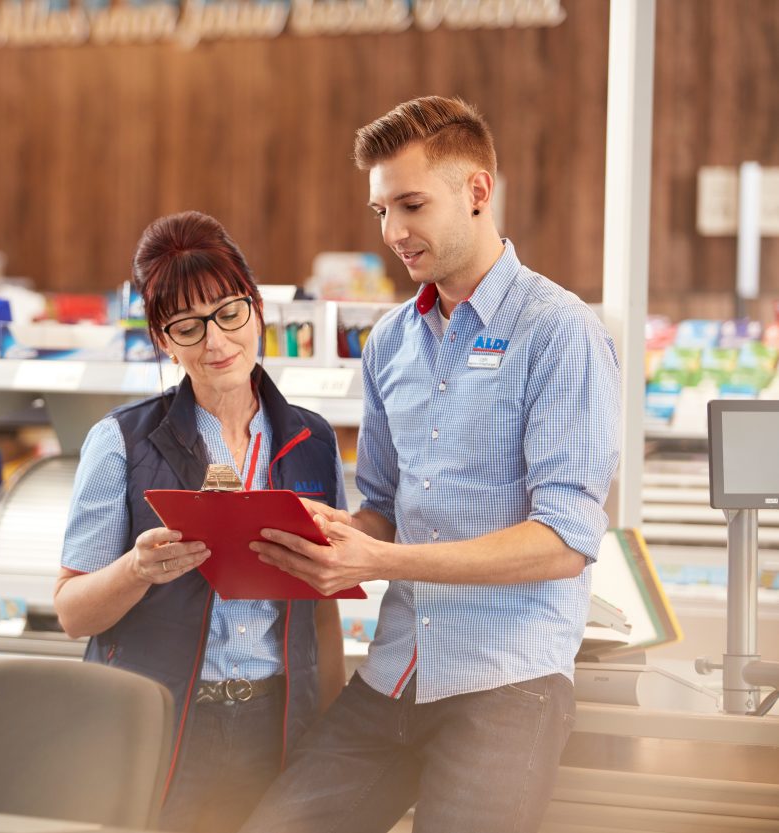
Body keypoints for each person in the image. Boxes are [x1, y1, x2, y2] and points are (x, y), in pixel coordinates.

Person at [239, 96, 621, 833]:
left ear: (477, 192)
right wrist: (333, 533)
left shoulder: (560, 333)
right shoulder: (388, 343)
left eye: (411, 204)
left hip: (508, 683)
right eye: (380, 211)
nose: (393, 232)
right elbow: (381, 503)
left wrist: (380, 555)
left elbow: (564, 542)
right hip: (392, 673)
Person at [53, 210, 348, 833]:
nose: (216, 343)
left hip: (276, 727)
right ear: (164, 340)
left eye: (228, 313)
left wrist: (328, 732)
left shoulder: (311, 441)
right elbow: (73, 612)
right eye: (187, 326)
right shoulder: (122, 443)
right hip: (160, 731)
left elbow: (324, 607)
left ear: (257, 308)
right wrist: (137, 569)